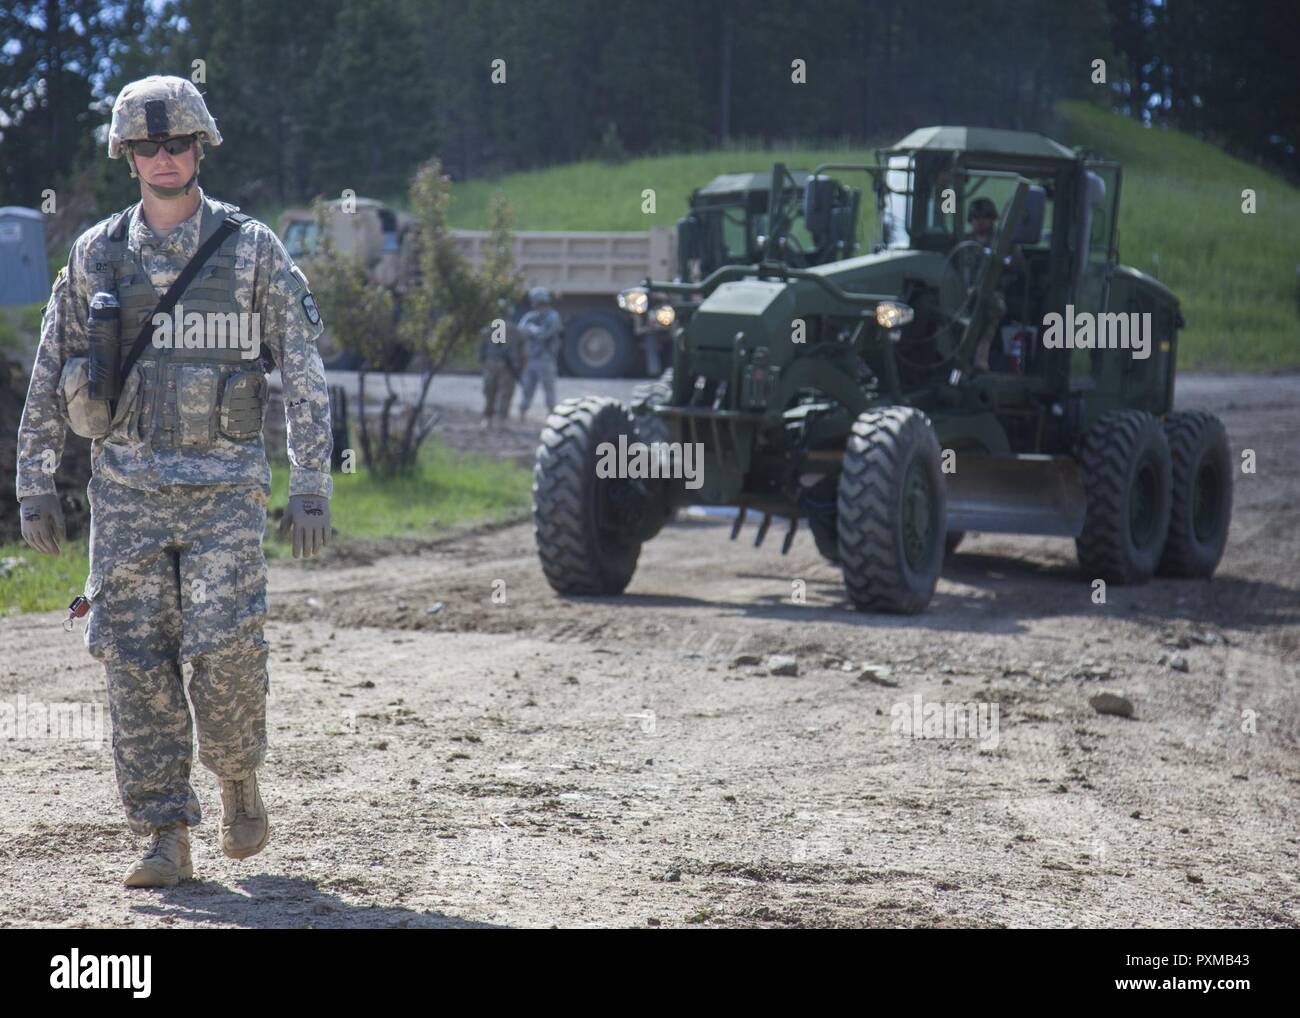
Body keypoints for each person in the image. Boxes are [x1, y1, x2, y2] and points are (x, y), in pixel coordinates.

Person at [15, 75, 334, 888]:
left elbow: (301, 369)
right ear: (128, 155)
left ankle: (237, 781)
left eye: (177, 144)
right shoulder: (97, 255)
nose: (163, 158)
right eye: (147, 146)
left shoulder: (251, 249)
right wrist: (36, 484)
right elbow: (53, 371)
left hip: (226, 492)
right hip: (125, 495)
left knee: (226, 653)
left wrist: (312, 484)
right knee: (133, 661)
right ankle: (164, 832)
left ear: (200, 148)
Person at [960, 197, 1025, 372]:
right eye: (975, 217)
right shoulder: (965, 242)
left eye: (985, 217)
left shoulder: (1003, 242)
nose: (980, 222)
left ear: (992, 219)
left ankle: (981, 353)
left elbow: (1017, 266)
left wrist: (1003, 264)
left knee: (994, 307)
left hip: (993, 292)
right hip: (963, 293)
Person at [516, 287, 562, 420]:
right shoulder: (530, 317)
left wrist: (532, 330)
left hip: (545, 359)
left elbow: (545, 334)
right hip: (531, 359)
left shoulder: (553, 316)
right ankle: (522, 413)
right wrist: (533, 330)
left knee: (549, 389)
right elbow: (520, 332)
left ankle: (551, 414)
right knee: (527, 388)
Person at [478, 299, 524, 429]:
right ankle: (501, 420)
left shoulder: (489, 328)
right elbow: (523, 352)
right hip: (508, 367)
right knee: (505, 394)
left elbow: (481, 350)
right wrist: (519, 368)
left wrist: (483, 363)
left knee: (489, 392)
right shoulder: (516, 330)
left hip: (491, 364)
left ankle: (488, 419)